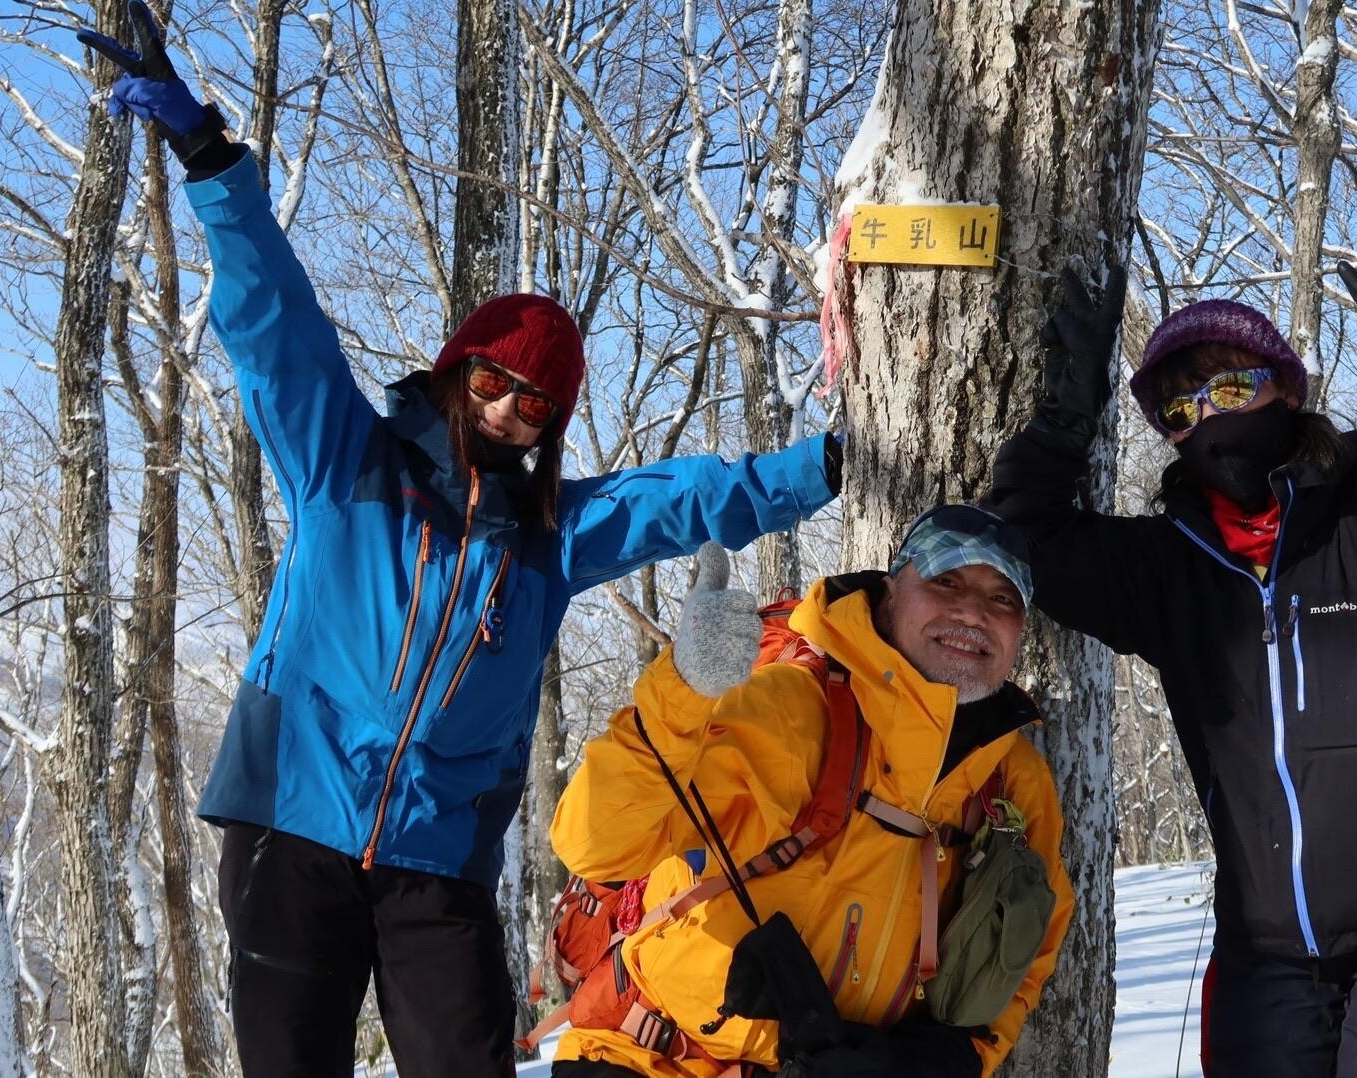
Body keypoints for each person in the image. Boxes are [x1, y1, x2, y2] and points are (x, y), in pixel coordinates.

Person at [78, 6, 842, 1074]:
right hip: (291, 824)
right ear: (453, 374)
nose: (507, 412)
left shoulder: (549, 537)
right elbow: (274, 322)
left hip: (438, 857)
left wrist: (823, 469)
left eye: (536, 404)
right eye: (492, 381)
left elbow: (684, 498)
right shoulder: (347, 457)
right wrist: (212, 159)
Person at [984, 240, 1357, 1077]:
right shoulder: (1170, 571)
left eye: (1231, 388)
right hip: (1265, 947)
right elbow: (1022, 538)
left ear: (1288, 391)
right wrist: (1062, 421)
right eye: (1178, 412)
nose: (1208, 420)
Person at [548, 506, 1074, 1077]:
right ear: (894, 590)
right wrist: (682, 693)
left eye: (1003, 599)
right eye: (945, 580)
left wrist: (944, 1061)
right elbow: (595, 844)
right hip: (654, 1061)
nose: (972, 611)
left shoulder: (1014, 781)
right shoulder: (793, 709)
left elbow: (1028, 953)